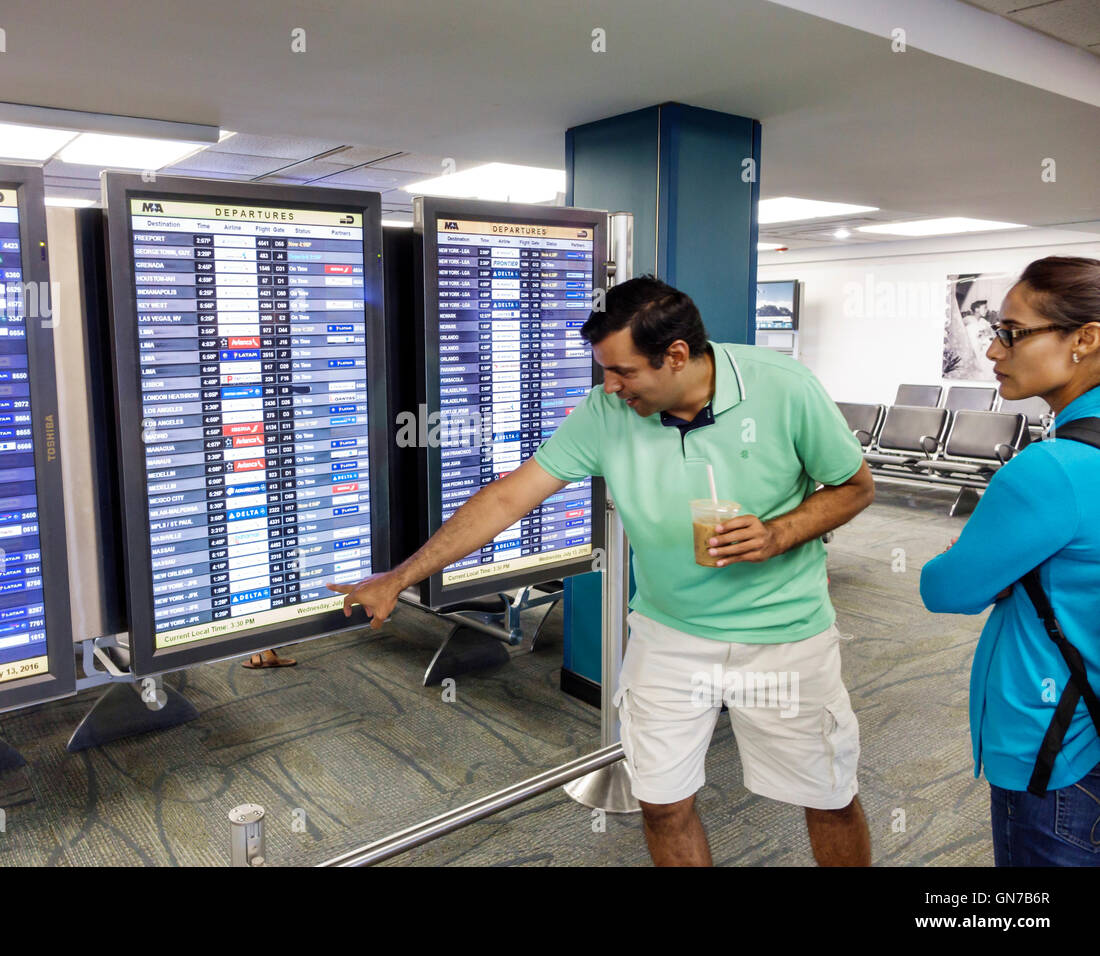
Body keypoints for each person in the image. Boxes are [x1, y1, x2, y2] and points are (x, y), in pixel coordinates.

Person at [329, 277, 876, 866]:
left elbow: (855, 487)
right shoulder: (605, 413)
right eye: (604, 372)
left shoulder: (784, 388)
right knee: (662, 803)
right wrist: (400, 576)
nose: (611, 387)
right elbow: (505, 500)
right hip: (669, 635)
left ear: (677, 355)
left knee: (827, 798)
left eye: (624, 373)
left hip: (784, 637)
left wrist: (779, 533)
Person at [921, 256, 1100, 866]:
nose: (994, 351)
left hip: (1058, 751)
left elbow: (945, 588)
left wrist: (980, 561)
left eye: (1012, 332)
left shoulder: (1051, 470)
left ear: (1086, 339)